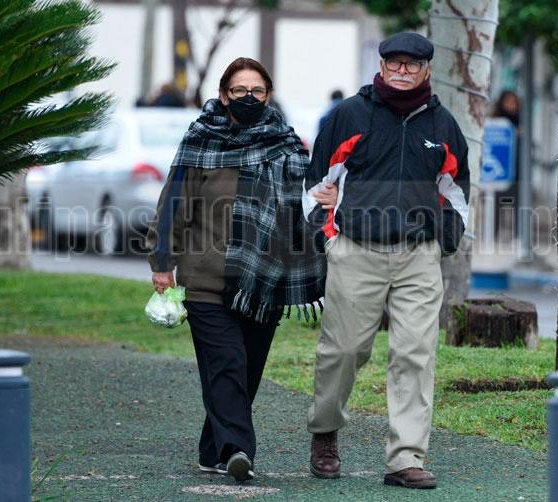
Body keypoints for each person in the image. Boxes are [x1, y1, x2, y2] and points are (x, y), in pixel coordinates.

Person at [302, 32, 470, 489]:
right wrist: (327, 234)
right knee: (344, 351)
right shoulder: (349, 116)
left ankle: (405, 458)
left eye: (411, 65)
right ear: (381, 66)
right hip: (356, 250)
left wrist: (444, 239)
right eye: (393, 62)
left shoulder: (443, 126)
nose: (401, 70)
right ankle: (325, 431)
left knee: (416, 354)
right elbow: (317, 182)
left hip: (418, 256)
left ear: (426, 70)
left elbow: (455, 191)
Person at [147, 57, 324, 483]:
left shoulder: (287, 145)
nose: (249, 98)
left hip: (264, 281)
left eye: (257, 91)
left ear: (268, 96)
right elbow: (173, 203)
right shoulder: (200, 142)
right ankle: (237, 450)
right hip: (206, 278)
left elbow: (308, 206)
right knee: (226, 363)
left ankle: (212, 449)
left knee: (246, 372)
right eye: (240, 90)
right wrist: (161, 261)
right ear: (224, 94)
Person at [490, 90, 521, 237]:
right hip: (500, 170)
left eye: (514, 102)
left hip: (517, 171)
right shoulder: (496, 123)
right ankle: (493, 233)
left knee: (519, 203)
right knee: (497, 203)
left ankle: (519, 234)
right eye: (508, 102)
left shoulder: (521, 122)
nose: (511, 105)